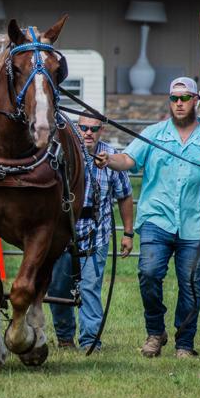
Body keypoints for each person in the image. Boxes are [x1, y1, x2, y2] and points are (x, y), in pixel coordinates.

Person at [95, 77, 200, 359]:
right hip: (156, 219)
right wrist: (108, 160)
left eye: (185, 98)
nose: (179, 103)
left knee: (190, 285)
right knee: (148, 273)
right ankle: (155, 331)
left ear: (196, 101)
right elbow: (128, 160)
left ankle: (184, 343)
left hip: (195, 224)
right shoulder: (153, 133)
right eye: (174, 98)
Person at [49, 116, 134, 352]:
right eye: (83, 128)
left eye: (94, 129)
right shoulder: (61, 151)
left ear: (101, 131)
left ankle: (90, 341)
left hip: (96, 231)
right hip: (62, 231)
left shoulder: (111, 157)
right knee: (57, 287)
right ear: (77, 128)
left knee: (90, 288)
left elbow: (125, 195)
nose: (88, 133)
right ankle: (65, 338)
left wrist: (128, 233)